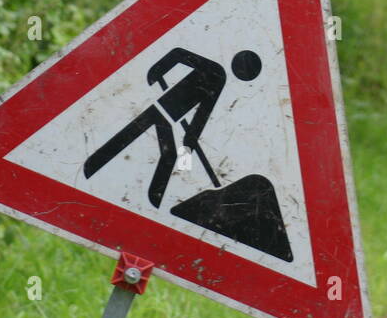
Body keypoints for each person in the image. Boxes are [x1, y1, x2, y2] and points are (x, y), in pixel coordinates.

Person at [84, 47, 262, 208]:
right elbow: (177, 55)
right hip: (159, 108)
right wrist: (156, 72)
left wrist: (189, 143)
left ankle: (156, 199)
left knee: (167, 153)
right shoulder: (215, 71)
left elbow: (202, 115)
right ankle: (92, 166)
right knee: (129, 136)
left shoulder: (219, 77)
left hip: (169, 119)